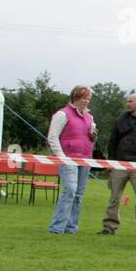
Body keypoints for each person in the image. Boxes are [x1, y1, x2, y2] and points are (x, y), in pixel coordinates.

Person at [100, 92, 136, 241]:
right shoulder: (120, 120)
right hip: (119, 165)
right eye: (127, 101)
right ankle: (109, 226)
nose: (127, 104)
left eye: (130, 101)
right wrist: (112, 162)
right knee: (114, 198)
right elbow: (113, 142)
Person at [46, 86, 97, 235]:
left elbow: (91, 136)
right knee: (70, 191)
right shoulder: (62, 114)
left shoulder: (90, 117)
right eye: (83, 98)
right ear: (75, 98)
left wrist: (93, 135)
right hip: (68, 158)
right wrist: (61, 156)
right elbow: (52, 137)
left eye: (88, 99)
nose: (86, 101)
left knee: (79, 195)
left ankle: (71, 228)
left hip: (86, 159)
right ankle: (56, 228)